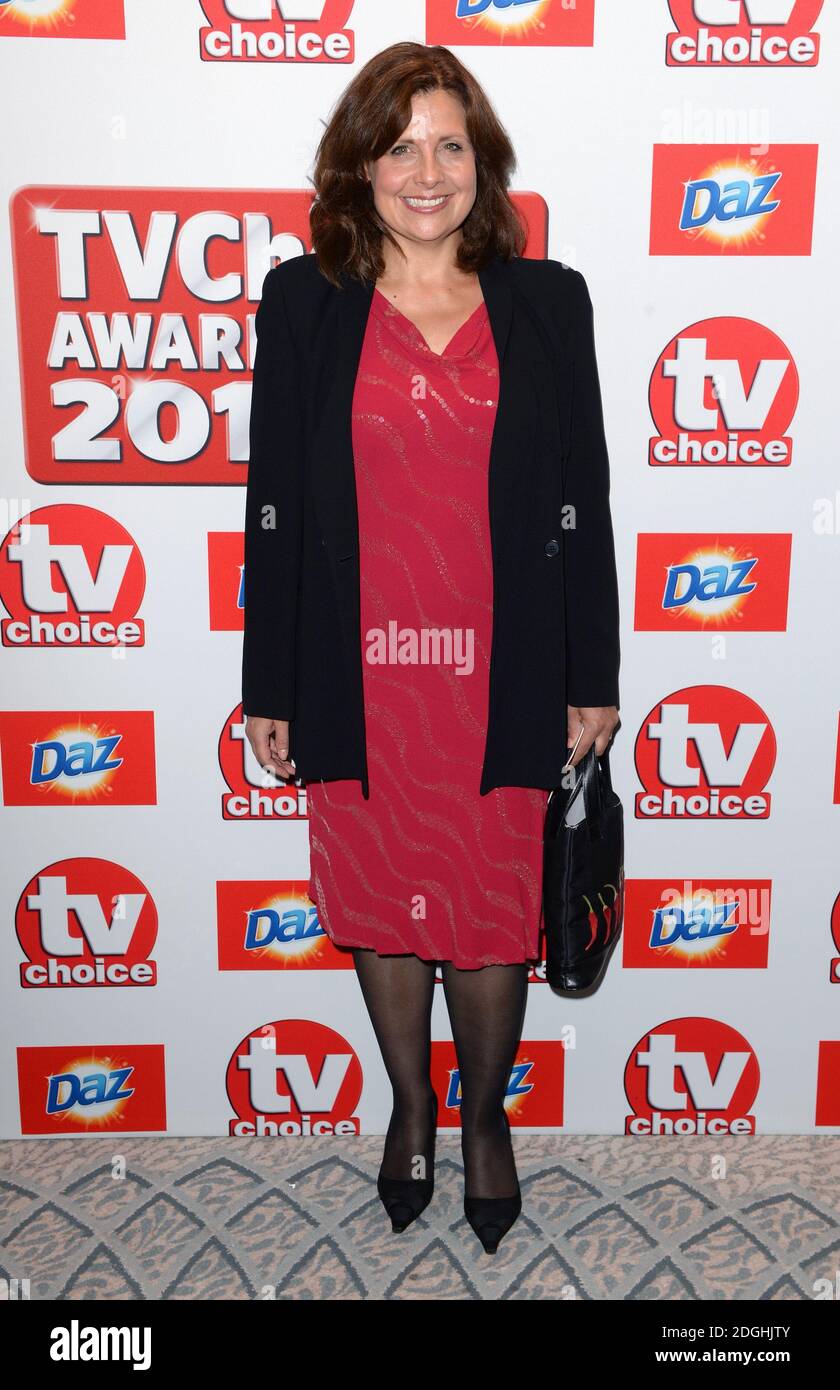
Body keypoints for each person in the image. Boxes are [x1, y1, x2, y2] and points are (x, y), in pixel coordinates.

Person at [242, 41, 620, 1256]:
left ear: (483, 162)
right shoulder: (305, 302)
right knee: (388, 910)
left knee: (490, 909)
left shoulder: (546, 300)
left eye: (449, 143)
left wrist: (590, 677)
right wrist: (271, 681)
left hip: (499, 673)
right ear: (359, 163)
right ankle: (411, 1105)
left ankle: (487, 1117)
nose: (426, 169)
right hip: (360, 669)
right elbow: (276, 505)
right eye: (398, 143)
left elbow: (585, 496)